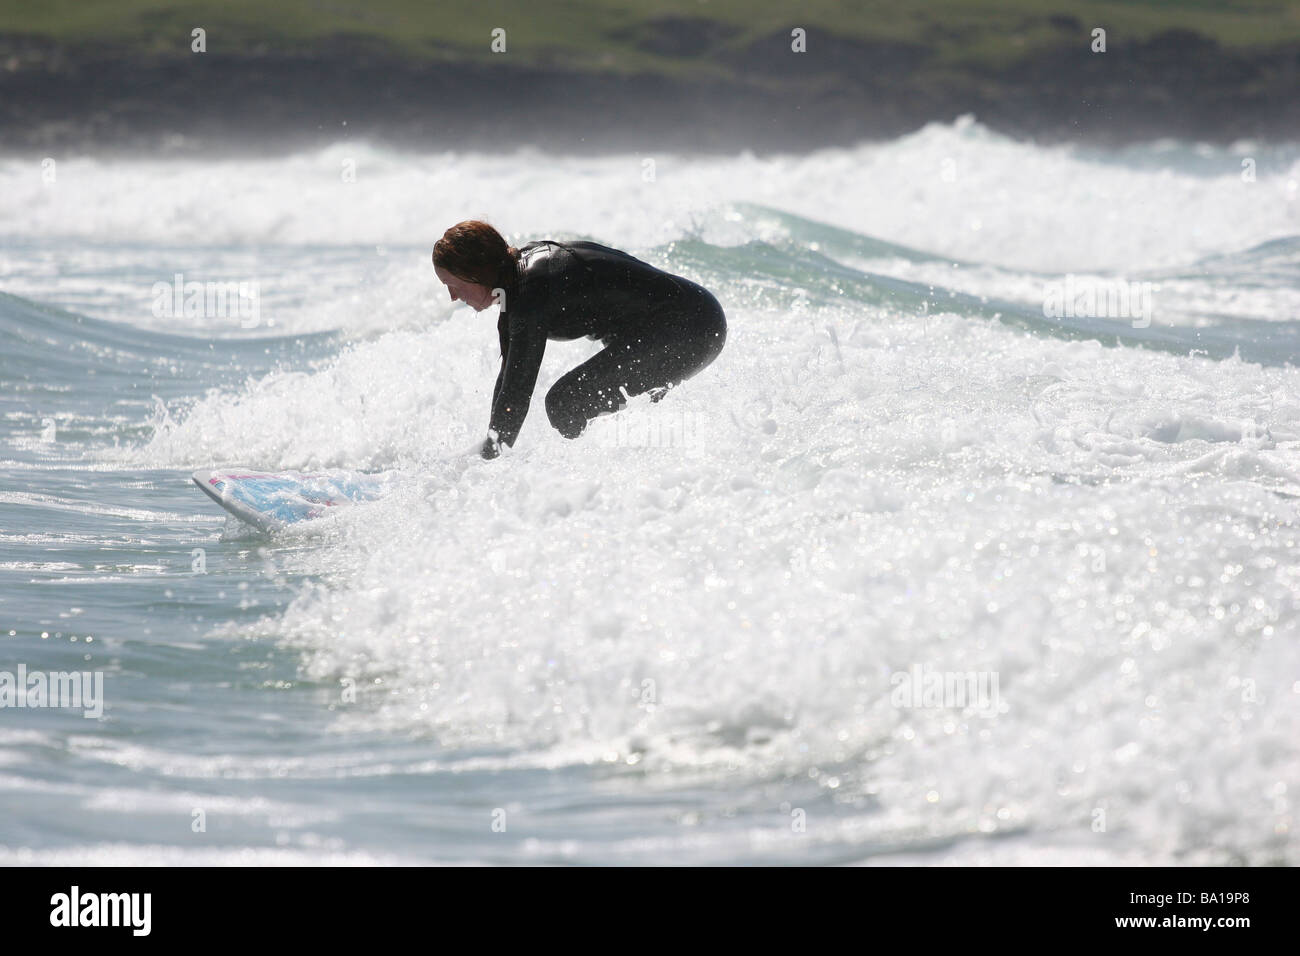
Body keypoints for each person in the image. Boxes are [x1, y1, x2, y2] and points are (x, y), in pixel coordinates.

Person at [432, 220, 727, 459]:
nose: (453, 296)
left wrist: (489, 457)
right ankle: (650, 473)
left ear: (475, 271)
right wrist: (490, 445)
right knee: (593, 404)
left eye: (451, 284)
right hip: (691, 322)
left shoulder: (530, 288)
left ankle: (599, 489)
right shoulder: (517, 280)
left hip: (689, 325)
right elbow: (509, 378)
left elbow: (519, 388)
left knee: (566, 402)